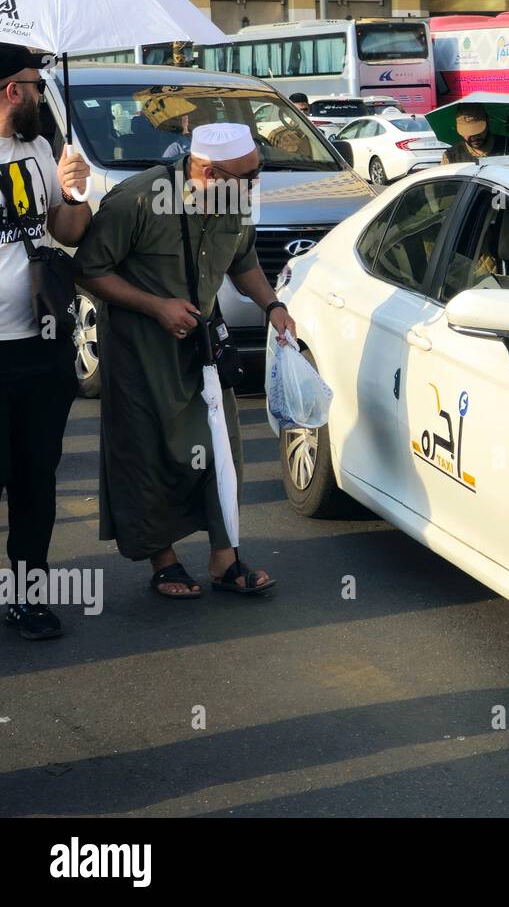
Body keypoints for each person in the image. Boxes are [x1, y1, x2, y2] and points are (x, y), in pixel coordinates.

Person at [74, 123, 292, 599]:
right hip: (139, 350)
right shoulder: (136, 199)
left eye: (258, 171)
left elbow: (243, 261)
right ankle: (164, 560)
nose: (255, 184)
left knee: (220, 446)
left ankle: (224, 558)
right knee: (146, 450)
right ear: (209, 173)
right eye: (247, 176)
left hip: (203, 347)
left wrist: (273, 306)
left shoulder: (234, 198)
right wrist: (156, 306)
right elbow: (89, 270)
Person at [0, 43, 92, 639]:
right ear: (13, 91)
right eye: (36, 86)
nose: (41, 95)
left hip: (42, 343)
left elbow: (67, 230)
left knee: (37, 477)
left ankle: (27, 595)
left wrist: (76, 193)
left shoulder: (38, 150)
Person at [441, 104, 509, 164]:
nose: (474, 136)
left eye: (478, 130)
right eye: (468, 132)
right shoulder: (450, 158)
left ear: (487, 123)